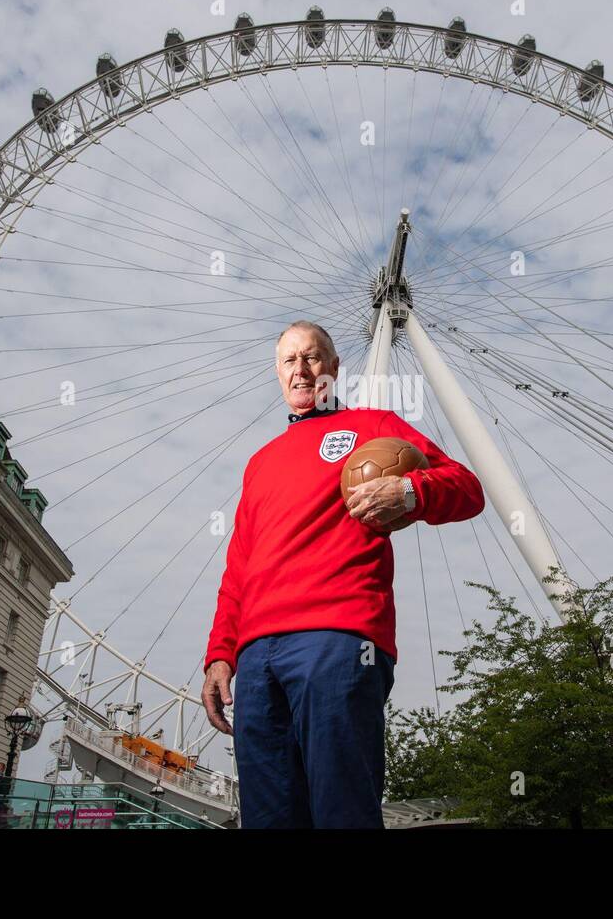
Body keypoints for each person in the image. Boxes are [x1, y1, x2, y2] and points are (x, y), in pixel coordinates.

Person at [201, 320, 485, 828]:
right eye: (289, 360)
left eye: (312, 357)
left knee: (342, 810)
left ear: (333, 368)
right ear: (278, 373)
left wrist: (411, 491)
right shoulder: (259, 462)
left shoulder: (374, 426)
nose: (301, 369)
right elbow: (238, 565)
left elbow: (467, 488)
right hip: (256, 656)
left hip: (337, 639)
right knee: (267, 819)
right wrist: (220, 654)